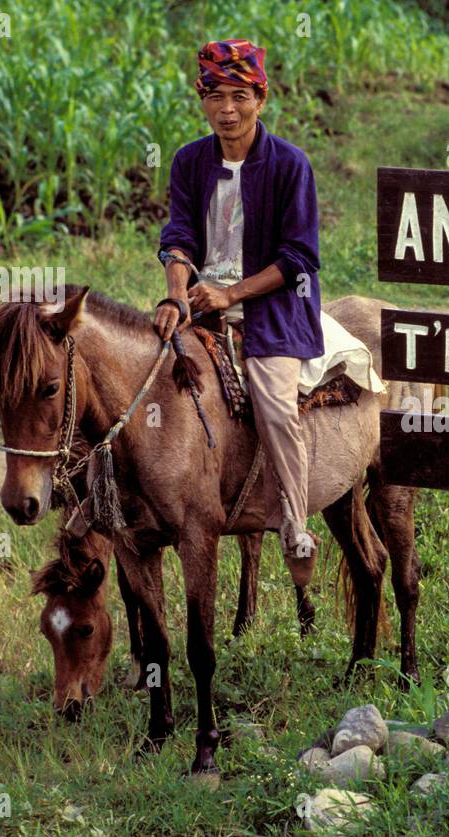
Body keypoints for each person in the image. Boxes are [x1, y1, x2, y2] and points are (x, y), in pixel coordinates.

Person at [156, 39, 322, 559]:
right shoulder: (189, 162)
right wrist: (177, 295)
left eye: (239, 96)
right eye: (215, 97)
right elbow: (179, 234)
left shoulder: (290, 165)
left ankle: (295, 521)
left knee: (275, 406)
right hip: (202, 300)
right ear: (201, 100)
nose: (227, 110)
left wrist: (231, 292)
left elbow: (298, 256)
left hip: (272, 307)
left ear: (261, 98)